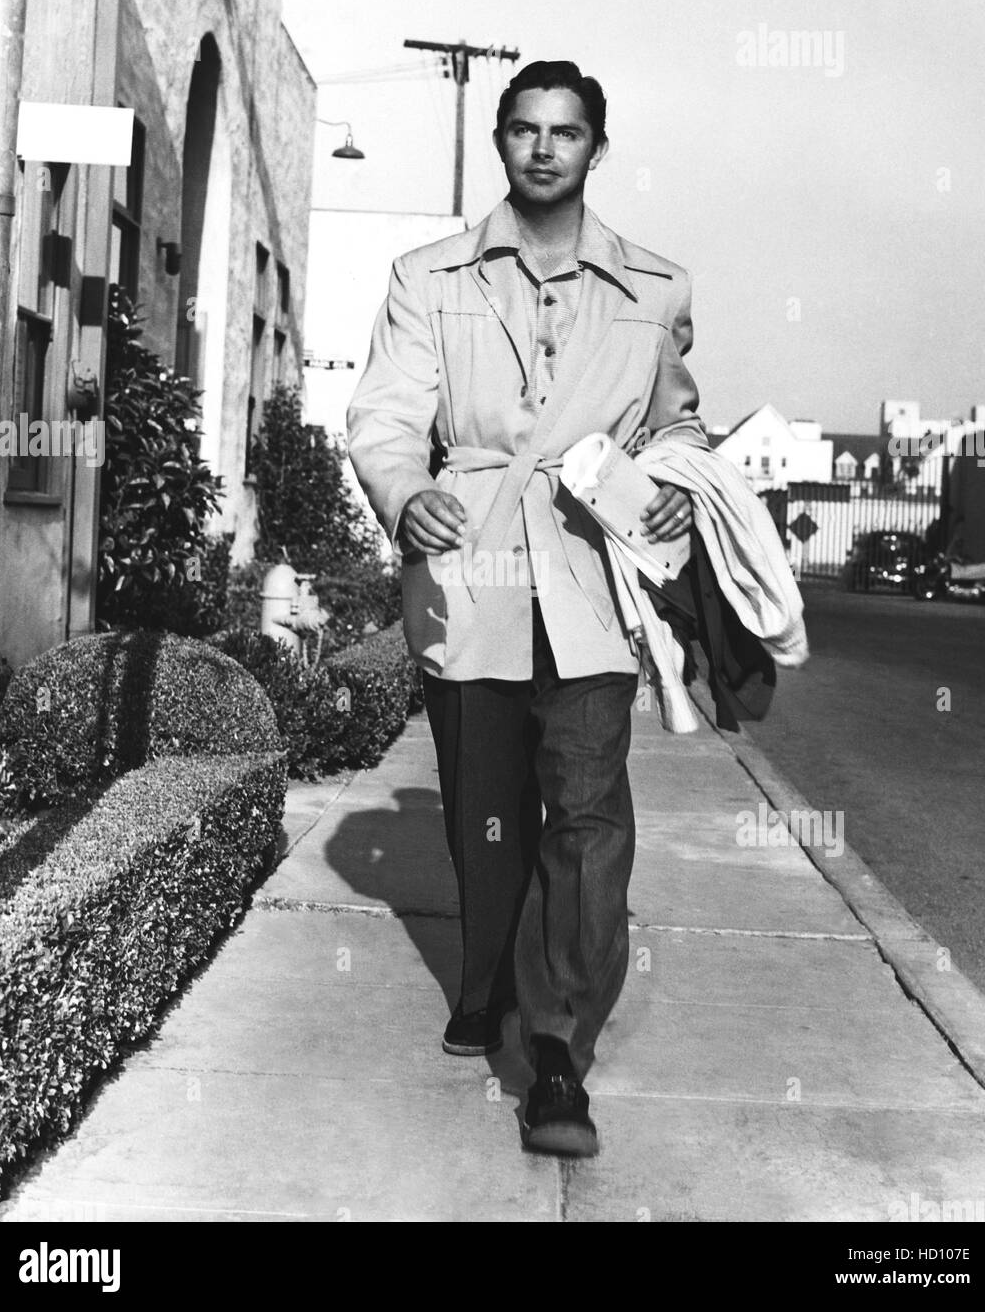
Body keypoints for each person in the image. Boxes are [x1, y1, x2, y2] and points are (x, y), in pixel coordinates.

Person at [347, 59, 708, 1156]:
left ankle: (554, 1052)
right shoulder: (427, 276)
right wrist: (405, 497)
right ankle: (489, 972)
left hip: (593, 582)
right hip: (469, 578)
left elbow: (678, 428)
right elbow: (384, 415)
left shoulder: (657, 288)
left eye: (566, 131)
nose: (544, 147)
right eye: (524, 129)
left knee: (590, 815)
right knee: (484, 809)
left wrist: (666, 491)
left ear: (598, 147)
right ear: (500, 143)